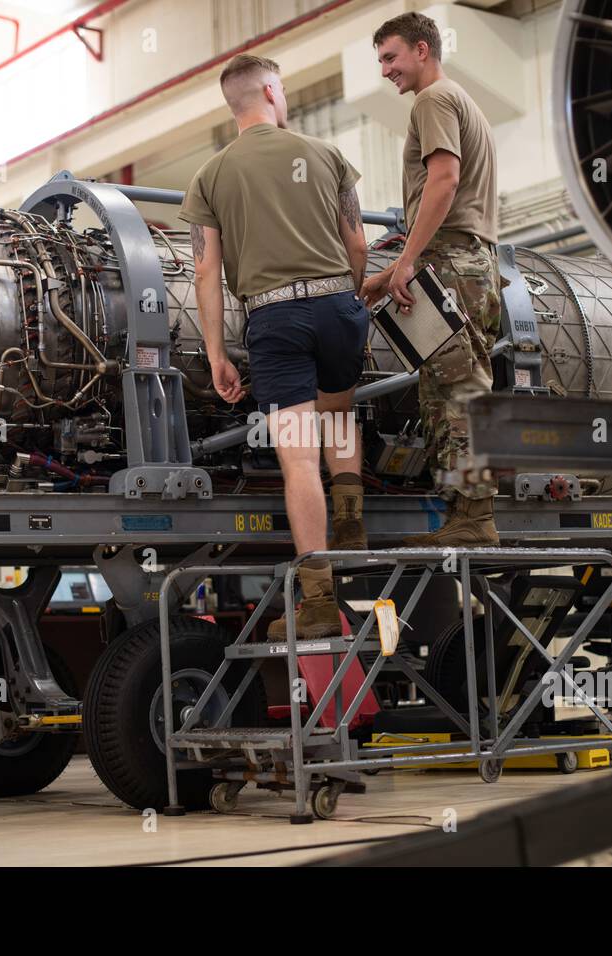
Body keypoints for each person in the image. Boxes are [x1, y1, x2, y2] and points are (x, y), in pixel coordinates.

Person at [180, 53, 371, 639]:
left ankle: (316, 599)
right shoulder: (326, 155)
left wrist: (216, 353)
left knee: (296, 457)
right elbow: (358, 243)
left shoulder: (210, 176)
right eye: (282, 88)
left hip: (274, 317)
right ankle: (352, 529)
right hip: (339, 303)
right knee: (338, 409)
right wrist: (351, 299)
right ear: (268, 90)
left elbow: (206, 273)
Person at [362, 11, 503, 547]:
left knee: (456, 388)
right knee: (449, 385)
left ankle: (474, 518)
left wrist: (406, 262)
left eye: (391, 57)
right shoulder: (460, 101)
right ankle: (466, 514)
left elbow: (444, 181)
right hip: (467, 261)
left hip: (452, 259)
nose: (385, 70)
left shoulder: (434, 100)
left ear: (423, 50)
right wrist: (393, 271)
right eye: (381, 61)